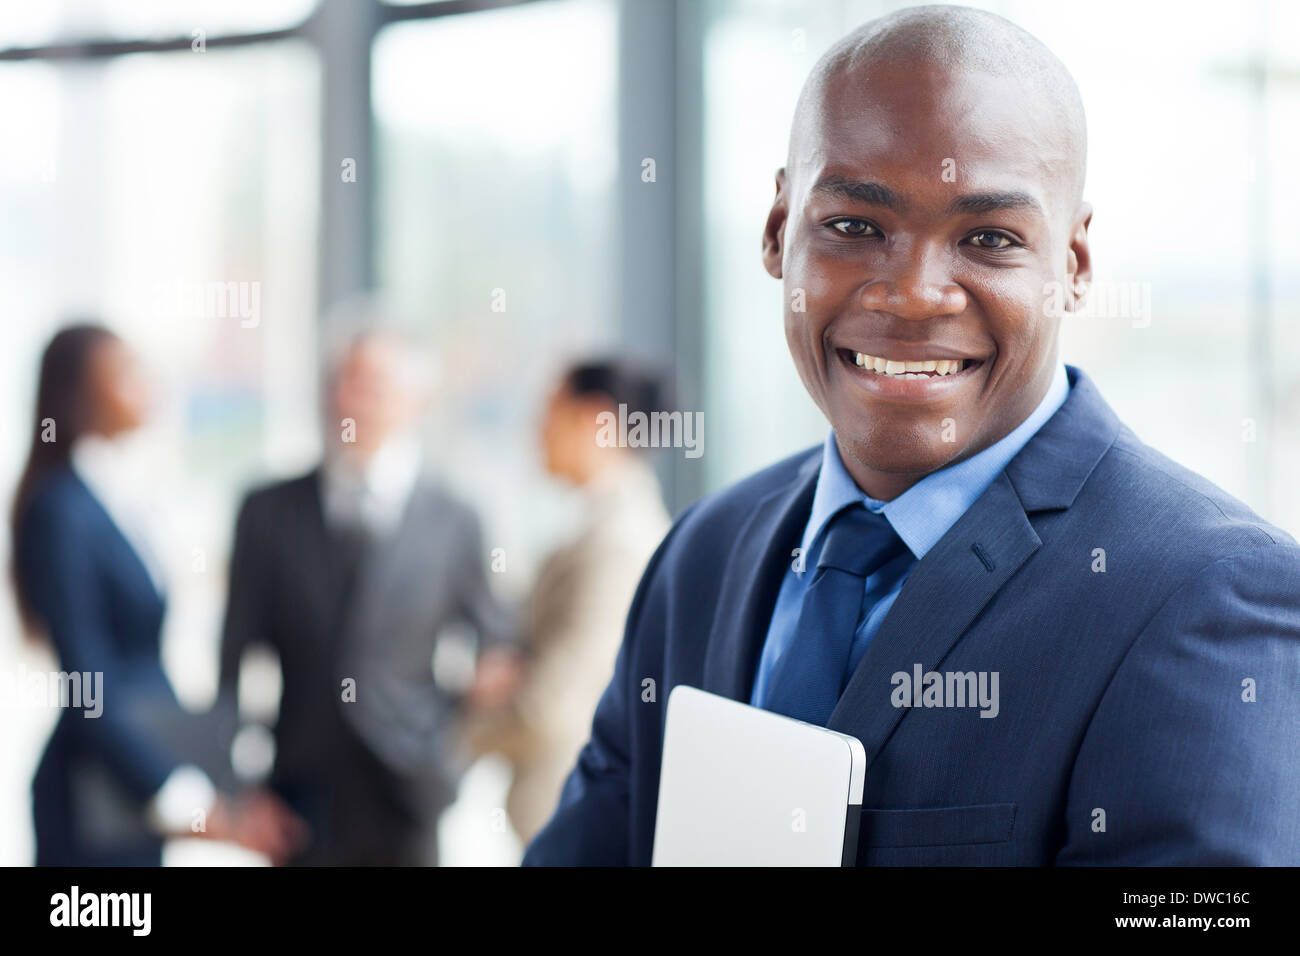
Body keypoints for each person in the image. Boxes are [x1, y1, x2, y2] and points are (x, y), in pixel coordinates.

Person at [523, 5, 1300, 866]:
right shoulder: (703, 554)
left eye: (990, 238)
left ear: (1072, 267)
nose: (915, 294)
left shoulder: (1209, 595)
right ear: (781, 230)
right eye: (855, 226)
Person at [218, 326, 514, 865]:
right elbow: (232, 661)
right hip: (299, 797)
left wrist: (450, 754)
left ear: (415, 402)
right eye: (340, 382)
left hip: (410, 794)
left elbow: (496, 648)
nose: (349, 400)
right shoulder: (266, 511)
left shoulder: (456, 517)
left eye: (372, 384)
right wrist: (237, 788)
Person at [11, 324, 303, 866]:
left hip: (129, 789)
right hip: (93, 794)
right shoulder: (62, 510)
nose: (147, 388)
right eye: (126, 374)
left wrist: (208, 785)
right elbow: (88, 684)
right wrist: (181, 794)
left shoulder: (117, 496)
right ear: (80, 391)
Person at [465, 360, 671, 845]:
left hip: (572, 823)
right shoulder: (595, 530)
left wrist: (456, 728)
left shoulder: (618, 542)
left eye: (549, 413)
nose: (536, 432)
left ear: (595, 421)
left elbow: (549, 706)